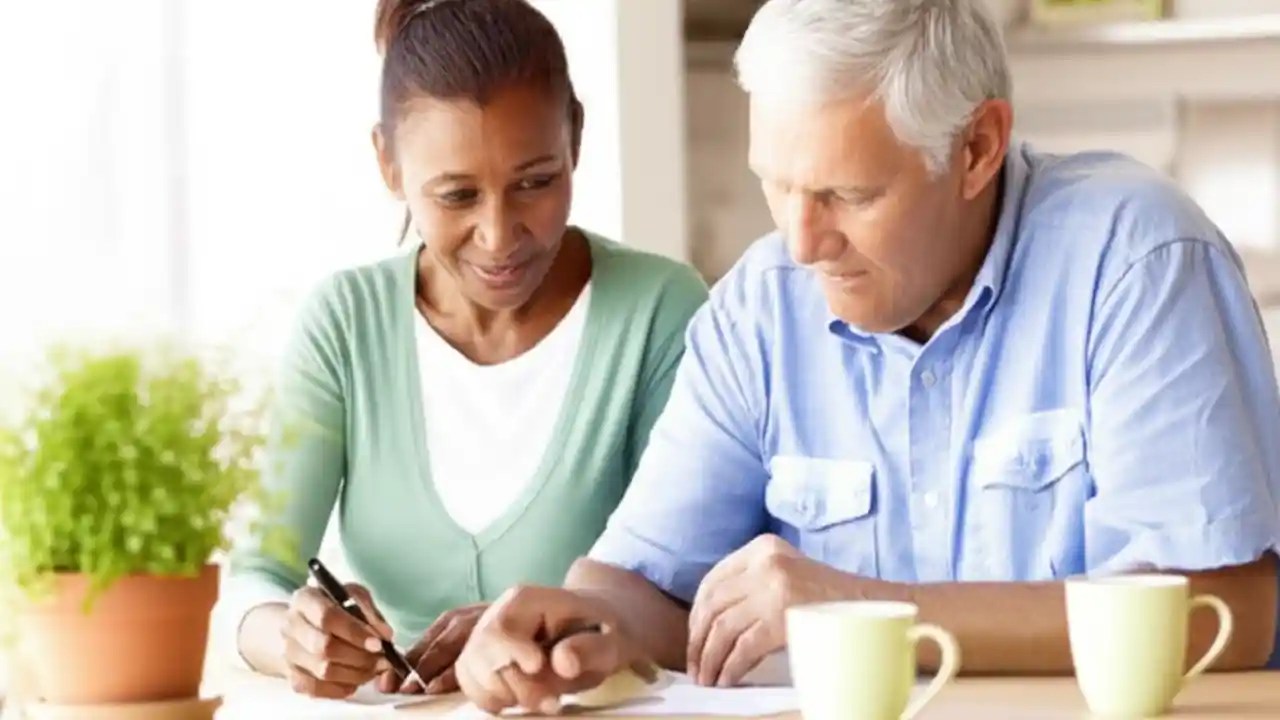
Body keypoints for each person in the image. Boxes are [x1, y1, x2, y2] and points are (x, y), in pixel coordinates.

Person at [450, 0, 1280, 713]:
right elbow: (649, 587)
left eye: (848, 195)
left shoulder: (1137, 260)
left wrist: (863, 608)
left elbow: (1231, 613)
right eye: (776, 185)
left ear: (977, 148)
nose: (802, 243)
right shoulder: (761, 308)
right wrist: (570, 629)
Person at [211, 0, 708, 701]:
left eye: (535, 182)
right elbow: (255, 576)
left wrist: (566, 634)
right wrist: (290, 636)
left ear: (576, 140)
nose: (499, 235)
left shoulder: (658, 311)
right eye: (456, 196)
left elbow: (701, 594)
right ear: (388, 163)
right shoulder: (344, 324)